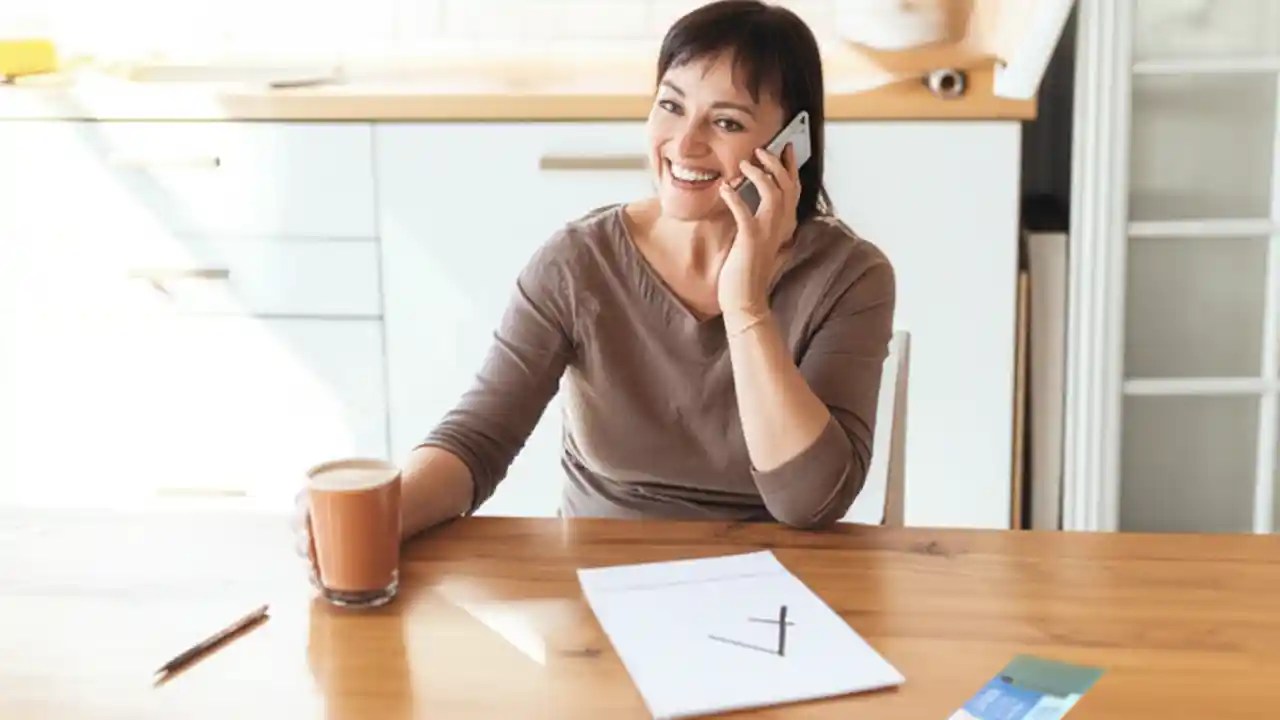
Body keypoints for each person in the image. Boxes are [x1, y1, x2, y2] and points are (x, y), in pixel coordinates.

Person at [296, 0, 895, 558]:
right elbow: (477, 440)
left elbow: (809, 502)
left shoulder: (849, 278)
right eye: (671, 104)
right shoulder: (578, 262)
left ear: (789, 145)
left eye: (728, 122)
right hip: (601, 583)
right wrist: (381, 514)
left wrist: (745, 307)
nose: (684, 143)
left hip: (781, 587)